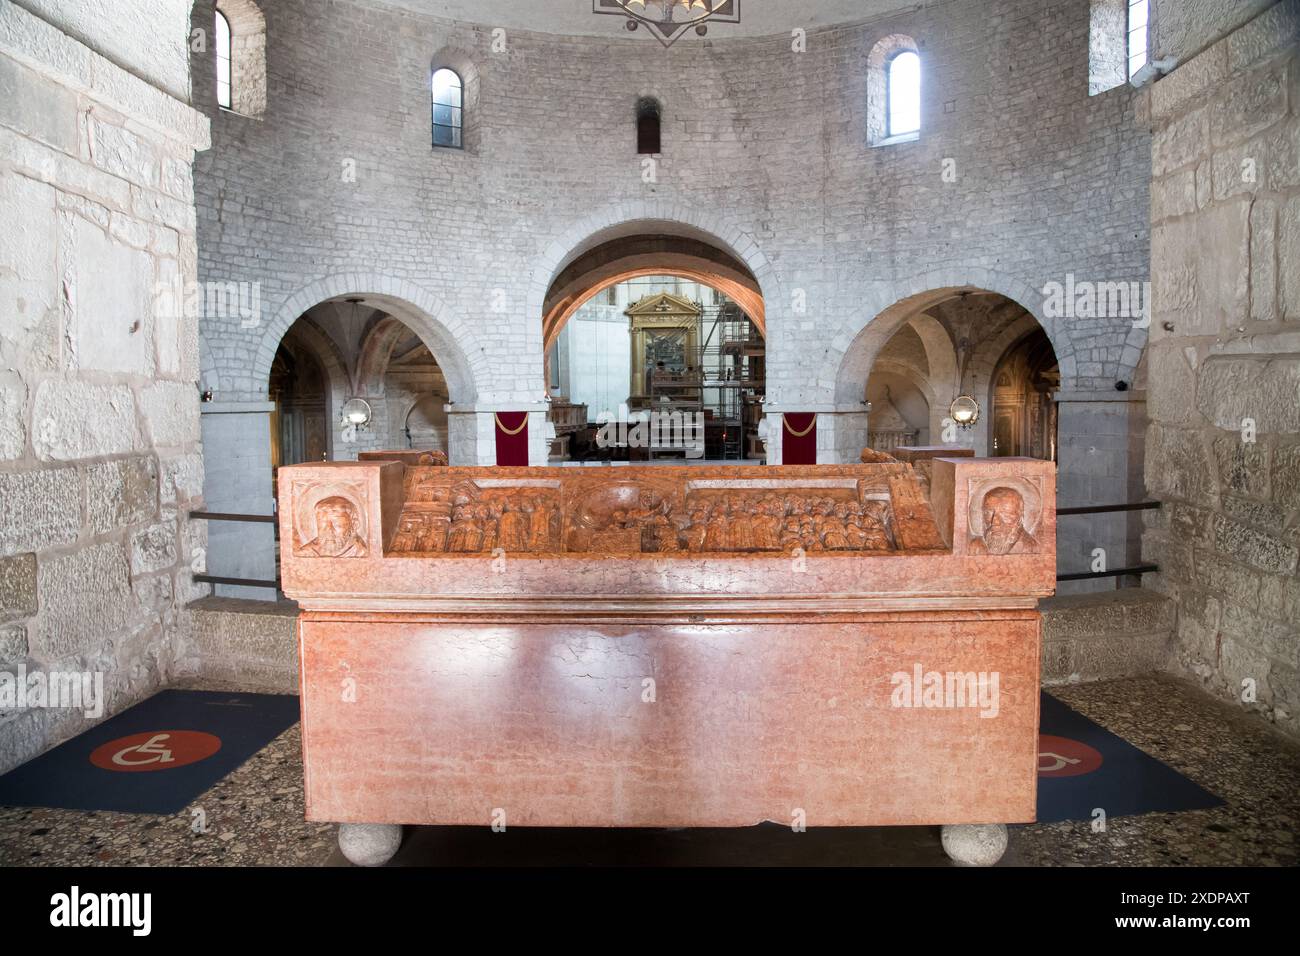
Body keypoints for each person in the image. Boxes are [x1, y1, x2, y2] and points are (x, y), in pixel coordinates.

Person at [969, 486, 1039, 556]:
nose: (995, 522)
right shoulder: (975, 547)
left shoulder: (1032, 549)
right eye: (988, 513)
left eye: (1006, 514)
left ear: (1020, 518)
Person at [298, 496, 368, 557]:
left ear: (354, 525)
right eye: (323, 525)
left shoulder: (361, 553)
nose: (329, 530)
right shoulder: (306, 553)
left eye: (337, 525)